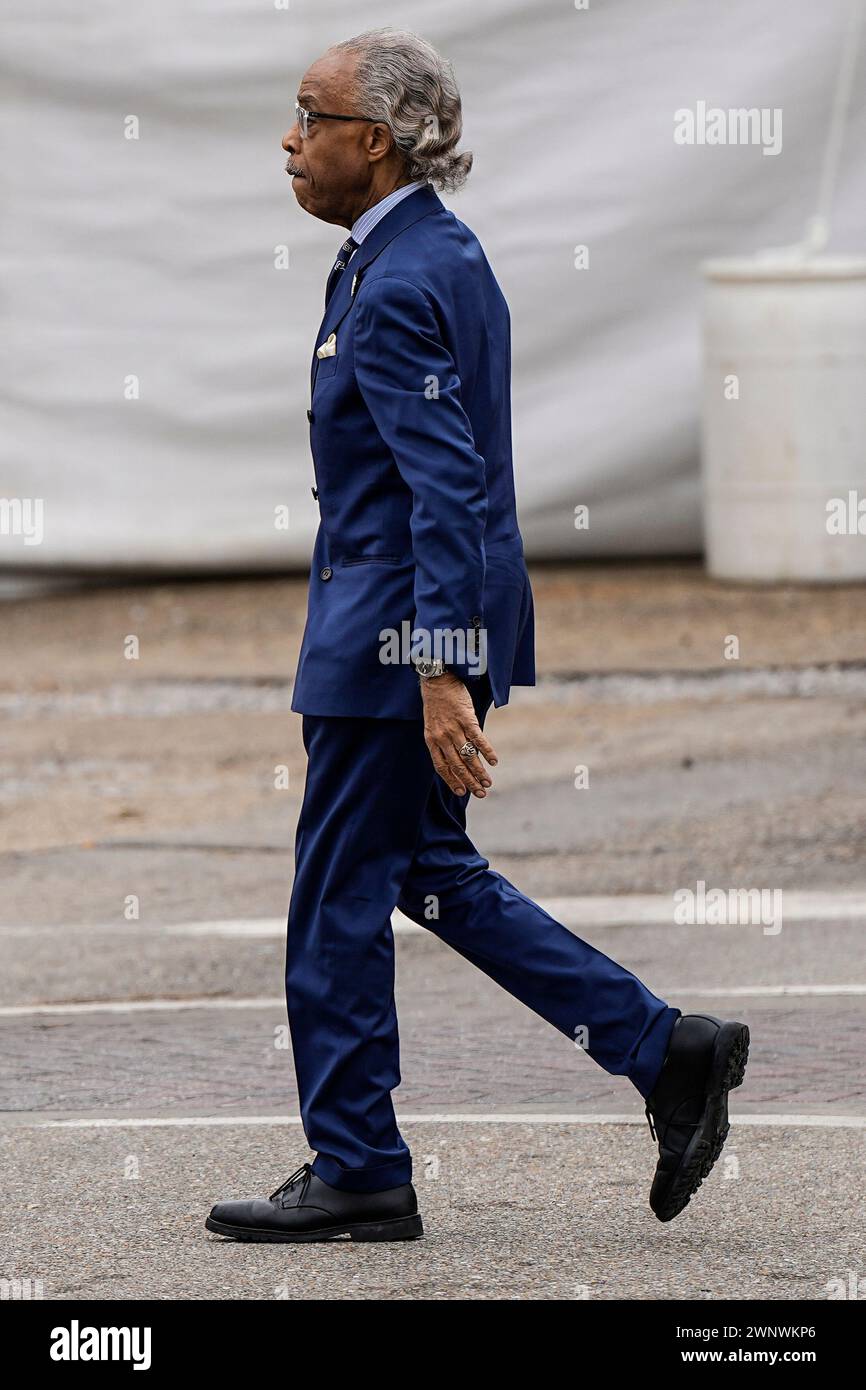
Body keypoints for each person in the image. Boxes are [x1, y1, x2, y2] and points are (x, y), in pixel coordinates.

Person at [206, 28, 749, 1245]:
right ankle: (667, 1051)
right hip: (407, 625)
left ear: (377, 142)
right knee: (427, 875)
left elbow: (445, 492)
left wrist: (437, 665)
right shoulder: (415, 256)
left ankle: (359, 1167)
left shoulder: (401, 280)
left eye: (309, 117)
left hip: (392, 640)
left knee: (336, 897)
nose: (288, 141)